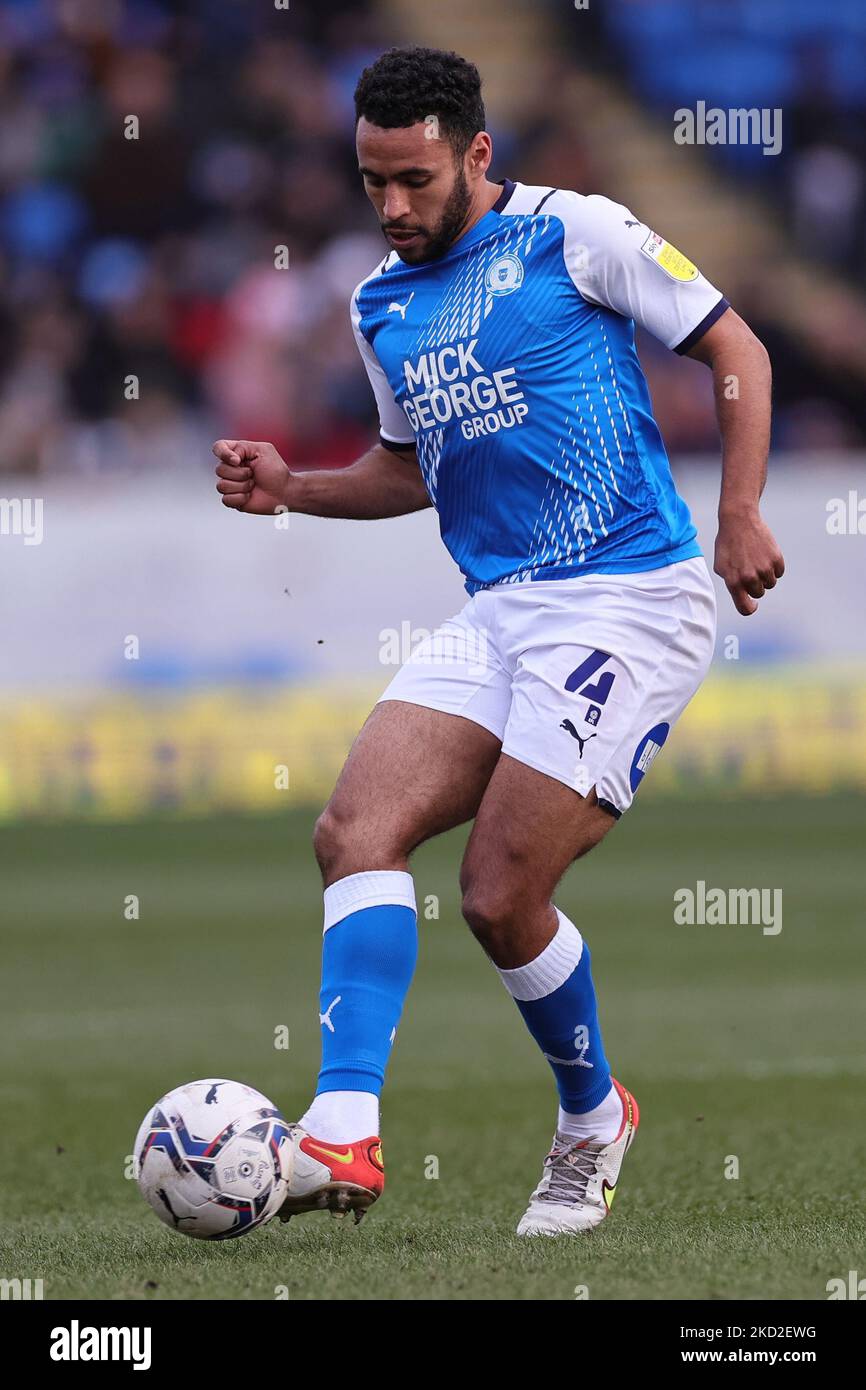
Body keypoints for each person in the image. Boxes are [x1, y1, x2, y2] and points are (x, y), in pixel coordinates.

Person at [212, 45, 784, 1236]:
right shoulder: (381, 305)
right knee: (352, 831)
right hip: (502, 607)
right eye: (372, 181)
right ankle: (344, 1135)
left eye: (414, 179)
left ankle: (590, 1115)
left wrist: (736, 513)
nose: (392, 206)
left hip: (629, 598)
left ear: (475, 152)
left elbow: (737, 350)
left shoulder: (575, 235)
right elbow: (407, 467)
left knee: (493, 896)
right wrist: (293, 488)